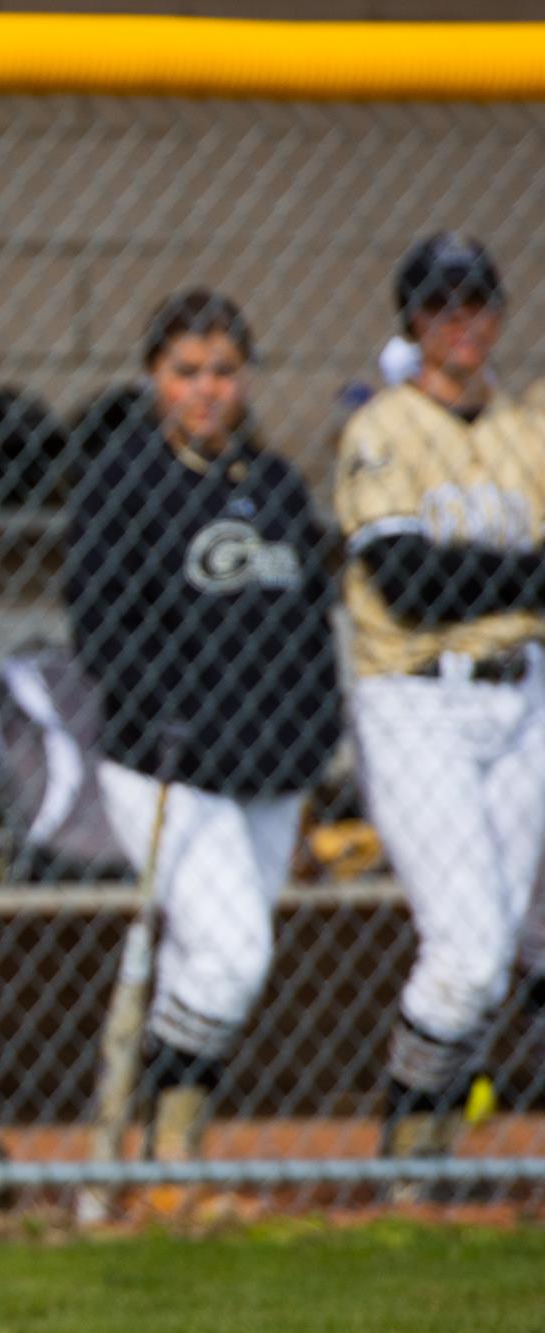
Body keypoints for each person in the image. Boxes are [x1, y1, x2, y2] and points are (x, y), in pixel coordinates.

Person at [63, 289, 340, 1175]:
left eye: (223, 370)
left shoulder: (273, 483)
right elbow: (99, 625)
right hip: (168, 762)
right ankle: (155, 1132)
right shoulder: (125, 478)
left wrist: (313, 735)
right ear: (155, 378)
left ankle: (164, 1151)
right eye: (186, 372)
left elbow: (307, 621)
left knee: (212, 958)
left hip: (268, 766)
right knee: (231, 954)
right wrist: (169, 706)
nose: (207, 389)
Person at [336, 234, 545, 1167]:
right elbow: (408, 579)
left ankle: (437, 1141)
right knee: (464, 955)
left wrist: (484, 578)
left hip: (522, 697)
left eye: (475, 304)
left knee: (496, 950)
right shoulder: (382, 427)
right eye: (440, 307)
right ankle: (407, 1154)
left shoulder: (524, 428)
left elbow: (448, 569)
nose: (461, 323)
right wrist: (526, 577)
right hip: (417, 700)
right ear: (413, 322)